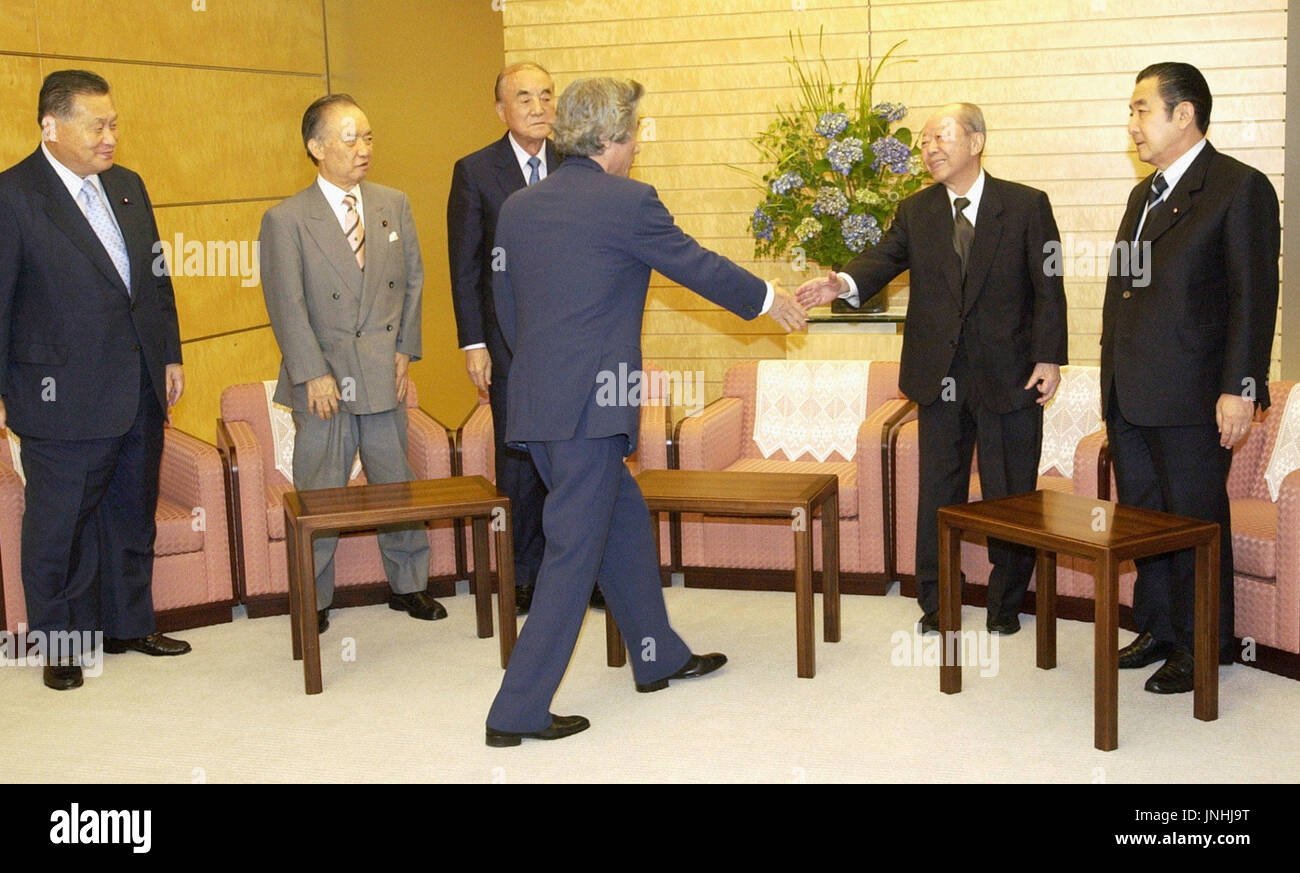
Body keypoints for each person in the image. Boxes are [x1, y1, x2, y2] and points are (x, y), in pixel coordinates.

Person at [484, 77, 807, 745]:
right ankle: (516, 708)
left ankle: (657, 652)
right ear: (608, 138)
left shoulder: (519, 206)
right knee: (572, 551)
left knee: (621, 523)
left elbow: (507, 308)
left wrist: (550, 377)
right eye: (633, 133)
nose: (637, 146)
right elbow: (700, 267)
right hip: (590, 411)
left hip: (542, 404)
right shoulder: (627, 202)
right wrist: (770, 297)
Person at [797, 103, 1068, 637]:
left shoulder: (1025, 205)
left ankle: (1005, 603)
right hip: (938, 375)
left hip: (1011, 374)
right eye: (923, 142)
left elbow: (1048, 286)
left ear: (976, 141)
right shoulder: (916, 210)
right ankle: (938, 601)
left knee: (1008, 492)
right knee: (938, 490)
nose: (929, 149)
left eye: (940, 137)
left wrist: (1049, 357)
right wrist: (843, 285)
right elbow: (882, 258)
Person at [0, 70, 190, 690]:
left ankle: (129, 623)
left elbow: (156, 282)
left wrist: (170, 356)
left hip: (137, 383)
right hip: (57, 394)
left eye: (114, 124)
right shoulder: (14, 196)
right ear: (50, 126)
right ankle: (61, 645)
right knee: (62, 526)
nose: (111, 138)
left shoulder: (128, 187)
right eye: (97, 126)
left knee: (130, 514)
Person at [1102, 62, 1279, 693]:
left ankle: (1207, 644)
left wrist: (1242, 387)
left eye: (1140, 109)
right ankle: (1159, 627)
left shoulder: (1239, 188)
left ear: (1184, 114)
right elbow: (1124, 292)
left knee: (1196, 519)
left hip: (1196, 396)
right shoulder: (1141, 193)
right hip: (1130, 392)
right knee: (1146, 518)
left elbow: (1253, 298)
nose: (1132, 125)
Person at [259, 94, 442, 634]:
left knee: (396, 484)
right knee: (320, 493)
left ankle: (410, 585)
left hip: (384, 371)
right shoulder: (286, 219)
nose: (362, 149)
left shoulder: (393, 202)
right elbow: (285, 302)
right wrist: (311, 372)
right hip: (324, 381)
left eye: (368, 137)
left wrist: (405, 349)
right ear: (315, 147)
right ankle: (311, 599)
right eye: (348, 138)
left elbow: (413, 281)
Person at [447, 62, 578, 615]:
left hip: (571, 341)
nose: (538, 106)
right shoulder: (476, 171)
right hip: (506, 343)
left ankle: (574, 573)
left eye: (546, 95)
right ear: (501, 109)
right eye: (523, 98)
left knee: (574, 459)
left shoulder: (575, 166)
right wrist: (473, 344)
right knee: (519, 461)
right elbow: (464, 265)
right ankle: (524, 576)